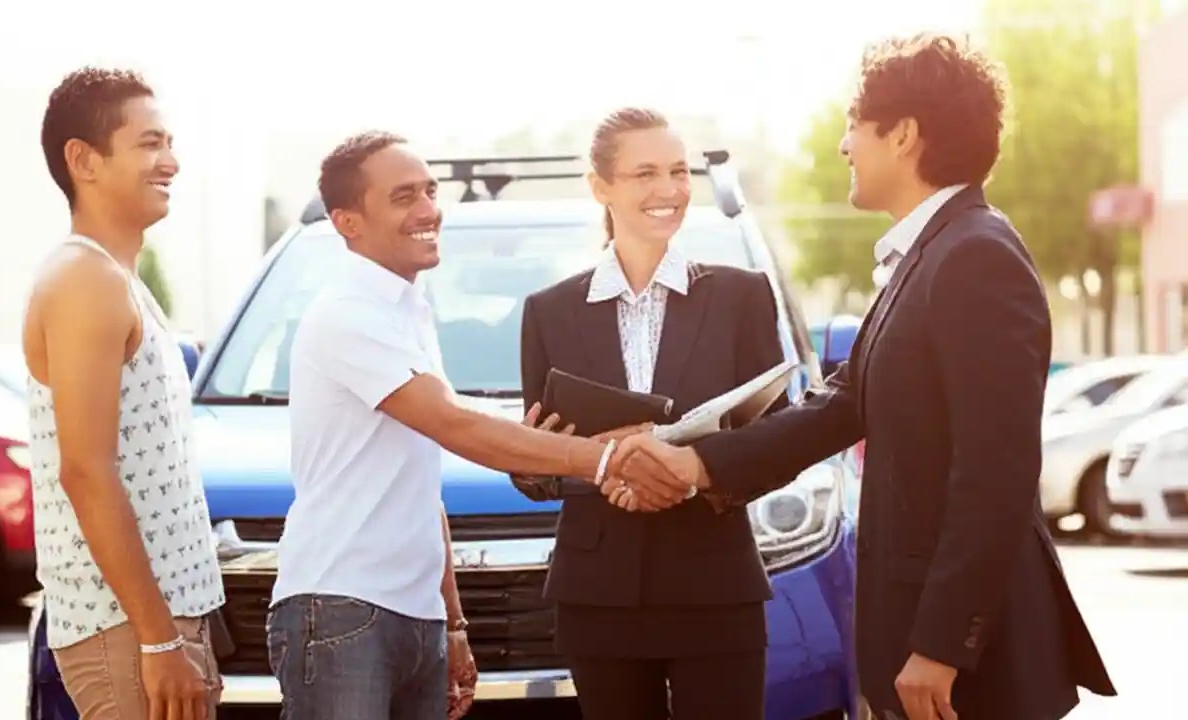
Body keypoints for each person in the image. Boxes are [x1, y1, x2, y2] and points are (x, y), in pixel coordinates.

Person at [606, 34, 1118, 720]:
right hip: (920, 646)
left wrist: (942, 645)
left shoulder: (975, 258)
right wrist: (694, 461)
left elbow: (995, 473)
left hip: (967, 664)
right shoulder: (928, 256)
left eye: (855, 126)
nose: (846, 145)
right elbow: (841, 406)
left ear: (903, 135)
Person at [267, 131, 653, 720]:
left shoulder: (408, 310)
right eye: (403, 197)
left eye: (429, 190)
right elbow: (455, 425)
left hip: (411, 613)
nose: (428, 210)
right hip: (341, 608)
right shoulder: (347, 313)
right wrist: (598, 459)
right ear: (347, 222)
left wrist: (451, 623)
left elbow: (421, 486)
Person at [508, 108, 796, 720]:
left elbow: (780, 440)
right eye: (644, 174)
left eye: (676, 171)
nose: (667, 190)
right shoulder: (549, 311)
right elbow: (534, 464)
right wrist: (573, 465)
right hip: (598, 595)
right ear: (600, 187)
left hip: (714, 586)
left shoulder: (741, 296)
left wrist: (690, 471)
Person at [23, 67, 225, 720]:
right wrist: (159, 634)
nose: (170, 161)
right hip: (127, 633)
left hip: (154, 627)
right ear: (82, 159)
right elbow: (86, 471)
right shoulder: (85, 278)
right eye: (148, 143)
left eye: (168, 142)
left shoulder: (116, 279)